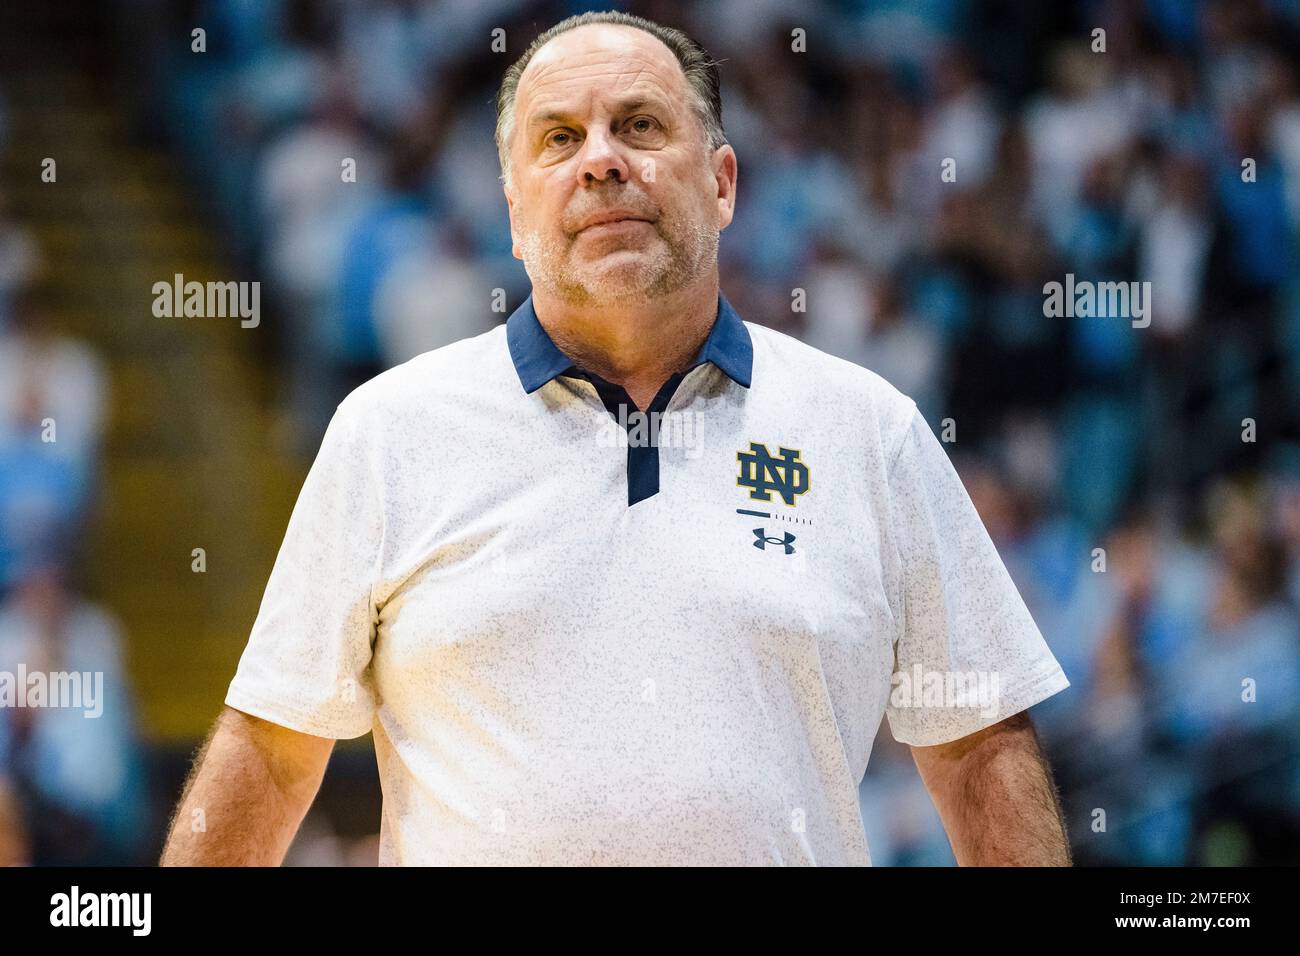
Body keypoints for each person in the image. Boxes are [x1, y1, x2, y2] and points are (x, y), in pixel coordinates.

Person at [162, 10, 1071, 866]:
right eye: (558, 139)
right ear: (515, 211)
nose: (600, 161)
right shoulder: (388, 433)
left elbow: (979, 743)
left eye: (639, 126)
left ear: (721, 184)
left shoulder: (869, 431)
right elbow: (274, 750)